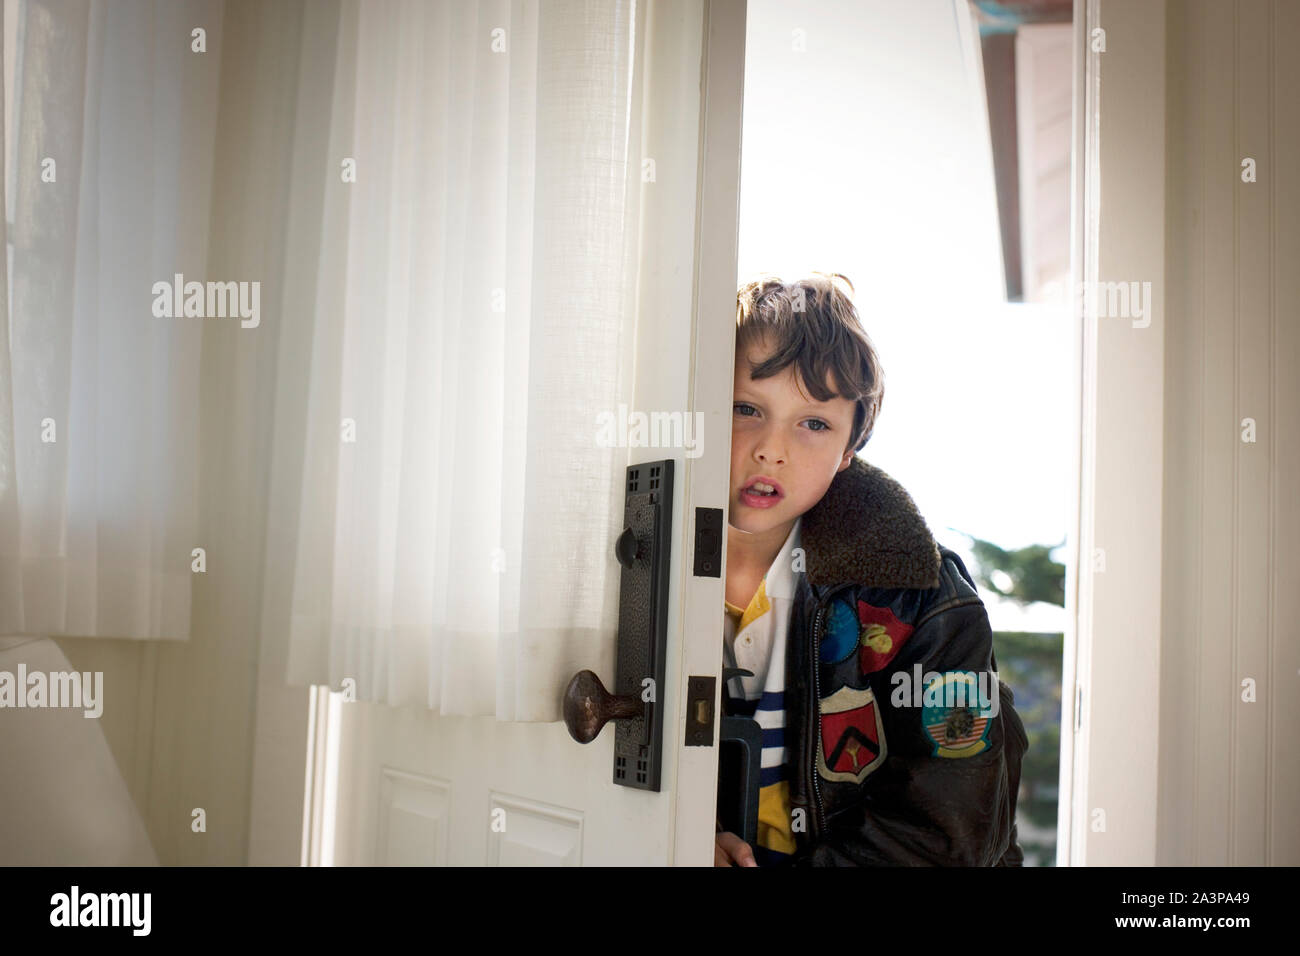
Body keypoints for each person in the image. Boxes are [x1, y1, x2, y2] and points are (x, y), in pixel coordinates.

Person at [714, 274, 1028, 867]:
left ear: (849, 448)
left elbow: (948, 828)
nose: (770, 449)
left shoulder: (925, 599)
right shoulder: (642, 572)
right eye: (745, 408)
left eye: (813, 424)